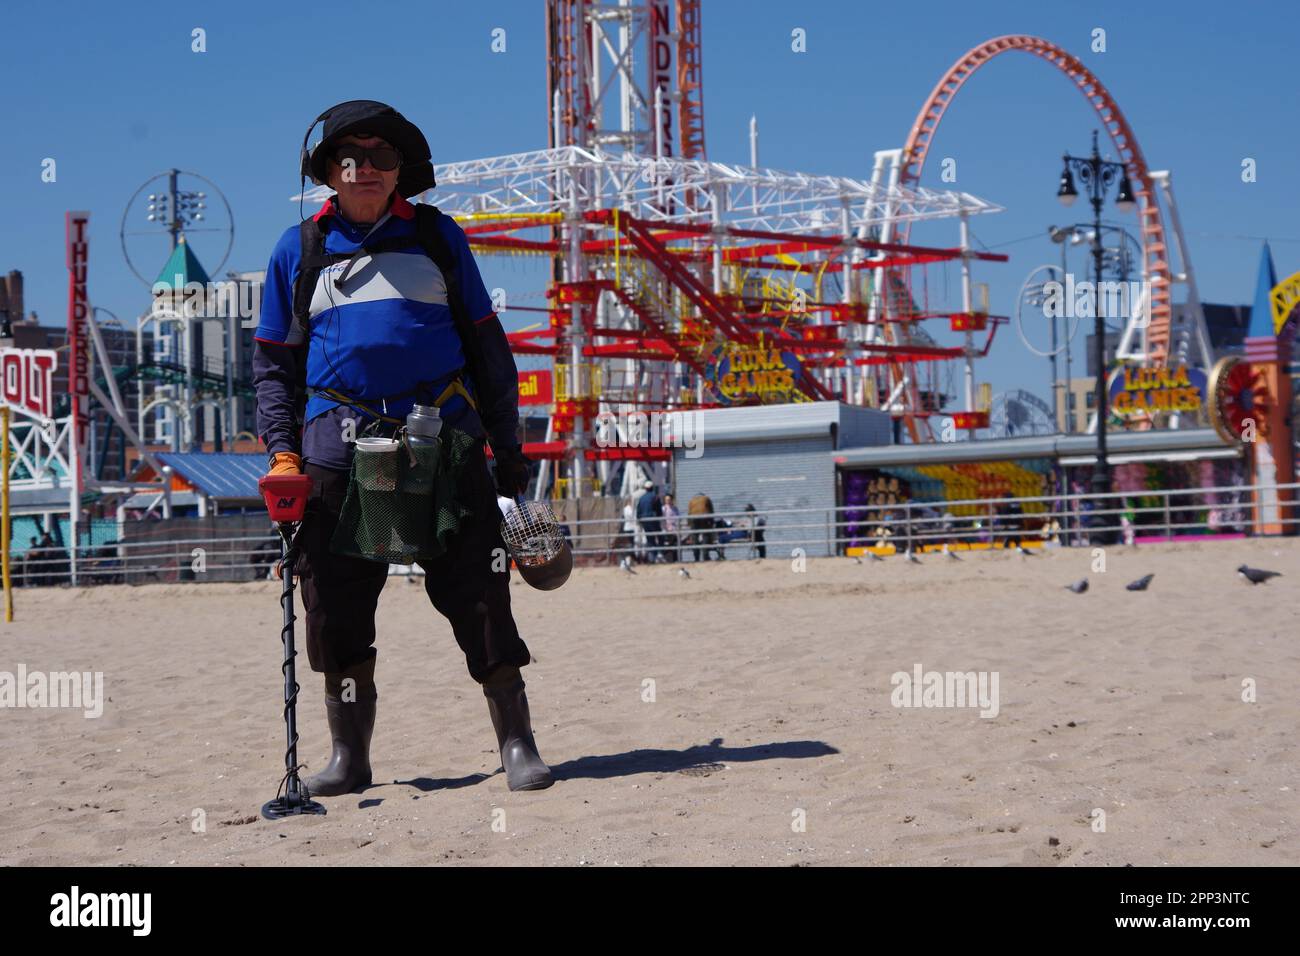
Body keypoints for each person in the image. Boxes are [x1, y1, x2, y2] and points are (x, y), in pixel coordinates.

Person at [252, 100, 551, 795]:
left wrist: (507, 451)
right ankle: (349, 759)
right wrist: (283, 453)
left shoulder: (442, 240)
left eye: (380, 157)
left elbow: (488, 350)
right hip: (334, 449)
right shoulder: (296, 250)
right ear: (328, 170)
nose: (364, 170)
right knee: (332, 608)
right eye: (348, 158)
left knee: (479, 595)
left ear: (400, 172)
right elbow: (272, 368)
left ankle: (517, 743)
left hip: (443, 440)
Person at [635, 481, 664, 563]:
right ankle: (660, 553)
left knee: (650, 538)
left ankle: (652, 557)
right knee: (660, 536)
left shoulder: (641, 498)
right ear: (652, 488)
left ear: (645, 489)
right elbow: (659, 510)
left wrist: (639, 519)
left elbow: (638, 511)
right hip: (653, 519)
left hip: (644, 521)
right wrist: (659, 516)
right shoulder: (655, 497)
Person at [686, 492, 716, 562]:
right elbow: (711, 511)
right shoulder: (706, 498)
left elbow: (689, 513)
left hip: (694, 518)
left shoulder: (691, 500)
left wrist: (689, 523)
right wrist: (712, 522)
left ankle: (696, 557)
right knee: (706, 536)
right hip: (704, 517)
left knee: (695, 537)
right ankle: (705, 556)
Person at [661, 493, 681, 562]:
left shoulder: (675, 508)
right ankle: (668, 560)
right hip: (666, 530)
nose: (668, 501)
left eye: (669, 499)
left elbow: (678, 518)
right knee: (668, 546)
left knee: (675, 545)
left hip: (674, 530)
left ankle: (676, 560)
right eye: (666, 500)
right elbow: (662, 520)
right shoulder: (663, 508)